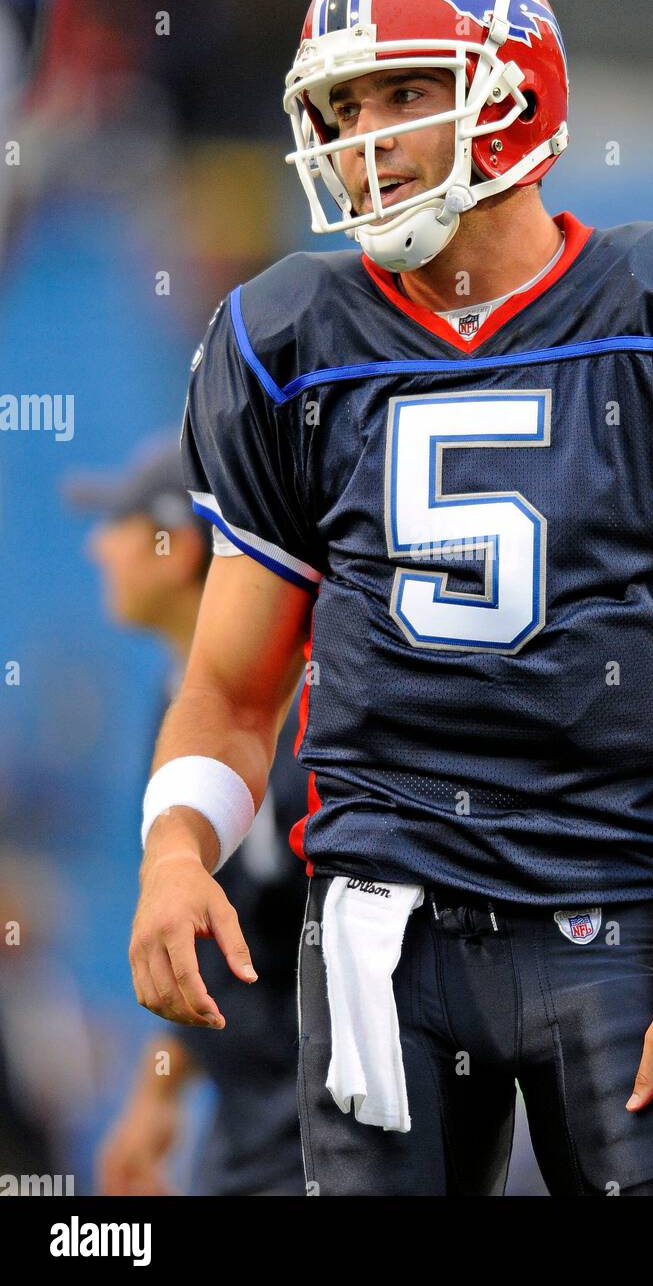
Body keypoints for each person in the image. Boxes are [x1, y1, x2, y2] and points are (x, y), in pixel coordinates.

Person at [129, 0, 653, 1196]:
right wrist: (174, 850)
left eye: (402, 91)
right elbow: (230, 687)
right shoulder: (289, 338)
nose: (365, 136)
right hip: (378, 928)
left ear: (514, 90)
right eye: (341, 108)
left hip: (607, 912)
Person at [65, 437, 307, 1196]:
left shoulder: (320, 701)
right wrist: (158, 1092)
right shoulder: (179, 706)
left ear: (177, 548)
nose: (98, 546)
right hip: (253, 1118)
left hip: (326, 1120)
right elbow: (224, 937)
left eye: (120, 524)